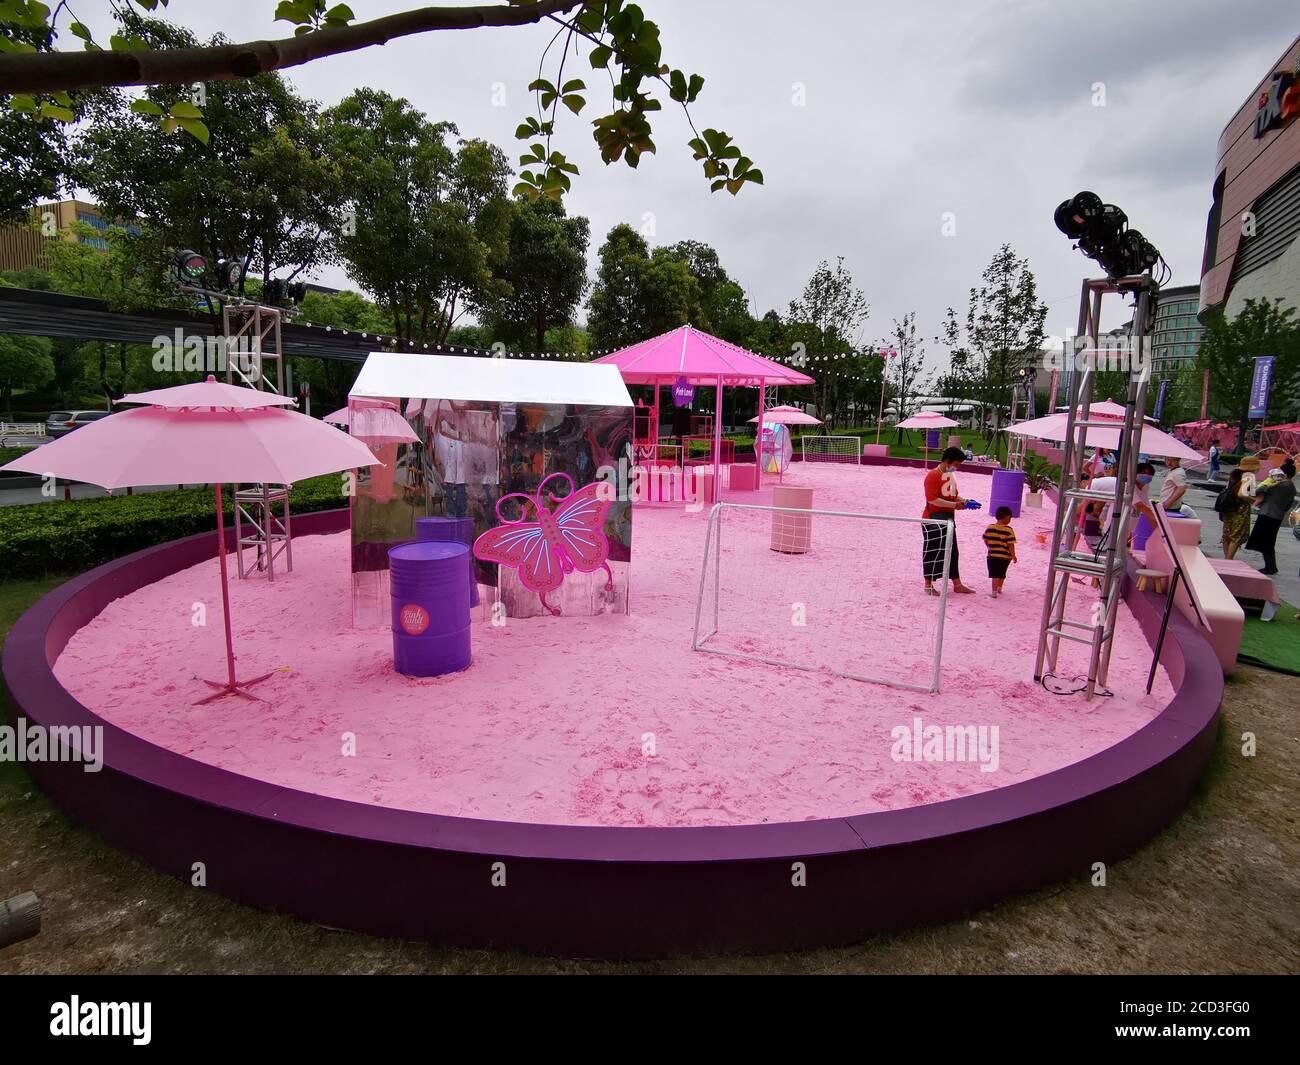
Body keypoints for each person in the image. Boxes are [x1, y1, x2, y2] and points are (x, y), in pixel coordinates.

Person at [921, 446, 977, 596]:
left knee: (953, 551)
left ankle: (957, 583)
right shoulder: (933, 476)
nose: (957, 468)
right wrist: (955, 505)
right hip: (933, 519)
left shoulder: (949, 476)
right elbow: (932, 500)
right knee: (933, 551)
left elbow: (954, 496)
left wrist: (966, 501)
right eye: (956, 464)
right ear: (948, 461)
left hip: (948, 519)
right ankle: (928, 584)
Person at [1245, 459, 1297, 575]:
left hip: (1267, 514)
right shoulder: (1292, 488)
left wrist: (1269, 485)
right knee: (1269, 541)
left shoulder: (1279, 485)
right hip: (1277, 516)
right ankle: (1271, 566)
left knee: (1265, 541)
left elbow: (1257, 491)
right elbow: (1289, 504)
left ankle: (1270, 567)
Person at [1216, 457, 1258, 560]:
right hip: (1240, 509)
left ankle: (1227, 558)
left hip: (1228, 507)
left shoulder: (1234, 473)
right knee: (1236, 535)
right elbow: (1241, 494)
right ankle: (1229, 560)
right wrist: (1255, 501)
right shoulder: (1249, 476)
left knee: (1227, 534)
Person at [982, 506, 1017, 598]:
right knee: (1002, 573)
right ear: (1006, 517)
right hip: (1005, 557)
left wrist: (990, 547)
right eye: (1010, 517)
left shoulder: (990, 527)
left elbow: (985, 539)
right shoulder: (1009, 530)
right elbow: (1011, 545)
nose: (1010, 520)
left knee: (995, 575)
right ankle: (999, 588)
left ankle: (994, 592)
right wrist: (1013, 556)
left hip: (992, 555)